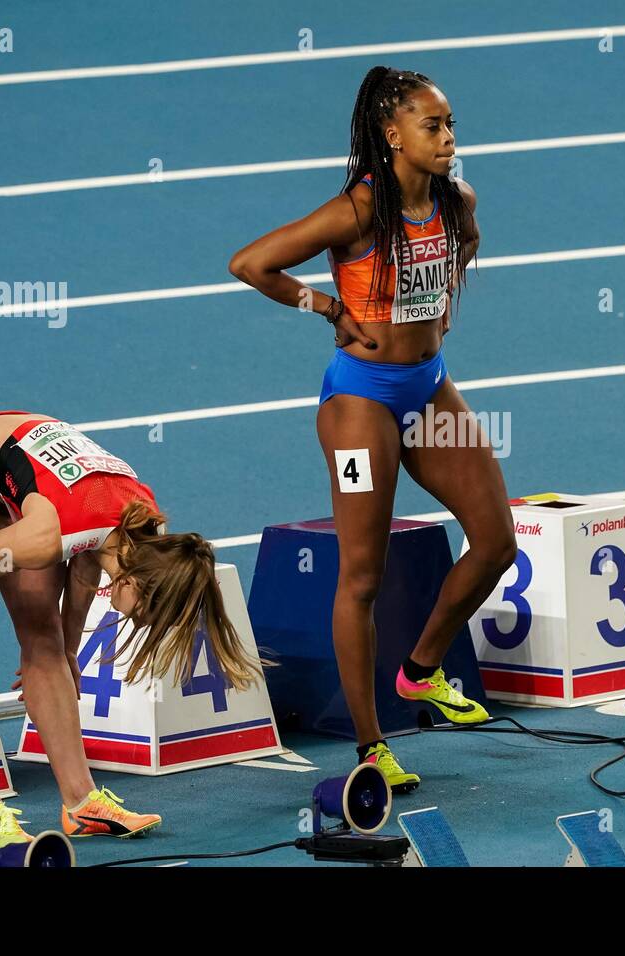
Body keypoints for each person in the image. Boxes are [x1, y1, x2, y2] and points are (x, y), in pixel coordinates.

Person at [229, 66, 516, 791]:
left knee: (496, 542)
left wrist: (443, 301)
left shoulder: (457, 201)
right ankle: (370, 745)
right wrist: (323, 308)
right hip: (361, 400)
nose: (448, 139)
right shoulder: (357, 211)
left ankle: (420, 671)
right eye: (433, 126)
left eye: (452, 125)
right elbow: (252, 264)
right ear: (393, 135)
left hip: (428, 387)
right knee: (361, 574)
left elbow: (467, 243)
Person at [0, 411, 262, 848]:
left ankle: (81, 803)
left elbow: (87, 563)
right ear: (131, 583)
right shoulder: (51, 534)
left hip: (27, 485)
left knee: (45, 637)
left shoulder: (146, 533)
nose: (140, 622)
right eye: (147, 615)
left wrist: (69, 647)